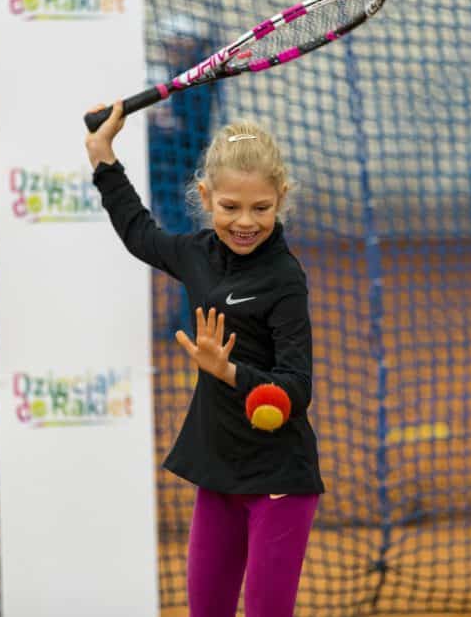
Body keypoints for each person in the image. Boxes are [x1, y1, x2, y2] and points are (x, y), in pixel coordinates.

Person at [85, 101, 325, 617]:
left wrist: (229, 371)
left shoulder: (284, 278)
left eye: (261, 208)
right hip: (218, 470)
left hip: (279, 479)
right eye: (230, 207)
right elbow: (140, 234)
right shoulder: (196, 253)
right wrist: (103, 156)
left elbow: (295, 386)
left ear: (280, 200)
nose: (245, 221)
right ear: (205, 198)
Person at [148, 15, 215, 334]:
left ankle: (192, 320)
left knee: (185, 247)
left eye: (175, 44)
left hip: (179, 174)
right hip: (166, 174)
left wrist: (156, 121)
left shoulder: (198, 82)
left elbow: (187, 129)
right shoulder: (180, 77)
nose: (169, 50)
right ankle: (185, 317)